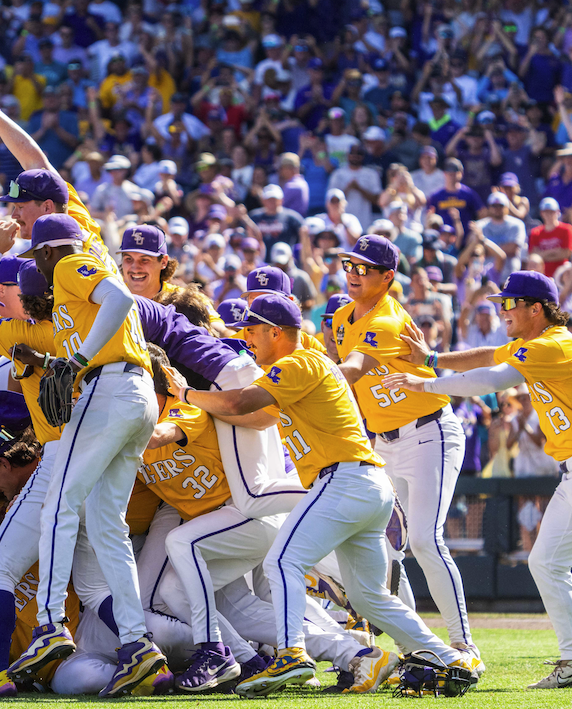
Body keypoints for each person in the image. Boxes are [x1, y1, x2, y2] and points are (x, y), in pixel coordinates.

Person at [166, 294, 477, 698]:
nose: (247, 339)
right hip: (364, 485)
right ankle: (448, 658)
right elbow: (252, 415)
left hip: (344, 480)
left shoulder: (297, 363)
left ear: (276, 332)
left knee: (281, 559)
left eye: (253, 331)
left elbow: (239, 401)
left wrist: (187, 394)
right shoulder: (301, 365)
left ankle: (293, 653)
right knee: (367, 597)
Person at [0, 214, 165, 697]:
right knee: (106, 522)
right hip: (131, 394)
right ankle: (137, 643)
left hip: (110, 388)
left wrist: (77, 359)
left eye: (36, 256)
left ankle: (49, 623)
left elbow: (118, 297)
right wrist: (65, 360)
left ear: (49, 251)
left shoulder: (71, 263)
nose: (38, 267)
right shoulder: (72, 292)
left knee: (58, 505)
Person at [382, 271, 572, 690]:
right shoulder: (532, 343)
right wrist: (432, 358)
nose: (500, 310)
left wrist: (426, 382)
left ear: (535, 309)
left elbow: (493, 379)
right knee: (547, 562)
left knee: (548, 563)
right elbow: (487, 357)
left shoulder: (554, 343)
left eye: (508, 304)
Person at [330, 234, 480, 667]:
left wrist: (300, 380)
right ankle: (417, 645)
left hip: (428, 432)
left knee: (426, 540)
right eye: (349, 264)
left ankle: (463, 645)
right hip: (384, 441)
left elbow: (353, 371)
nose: (354, 274)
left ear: (387, 277)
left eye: (364, 268)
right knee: (386, 548)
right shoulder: (341, 318)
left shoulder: (388, 318)